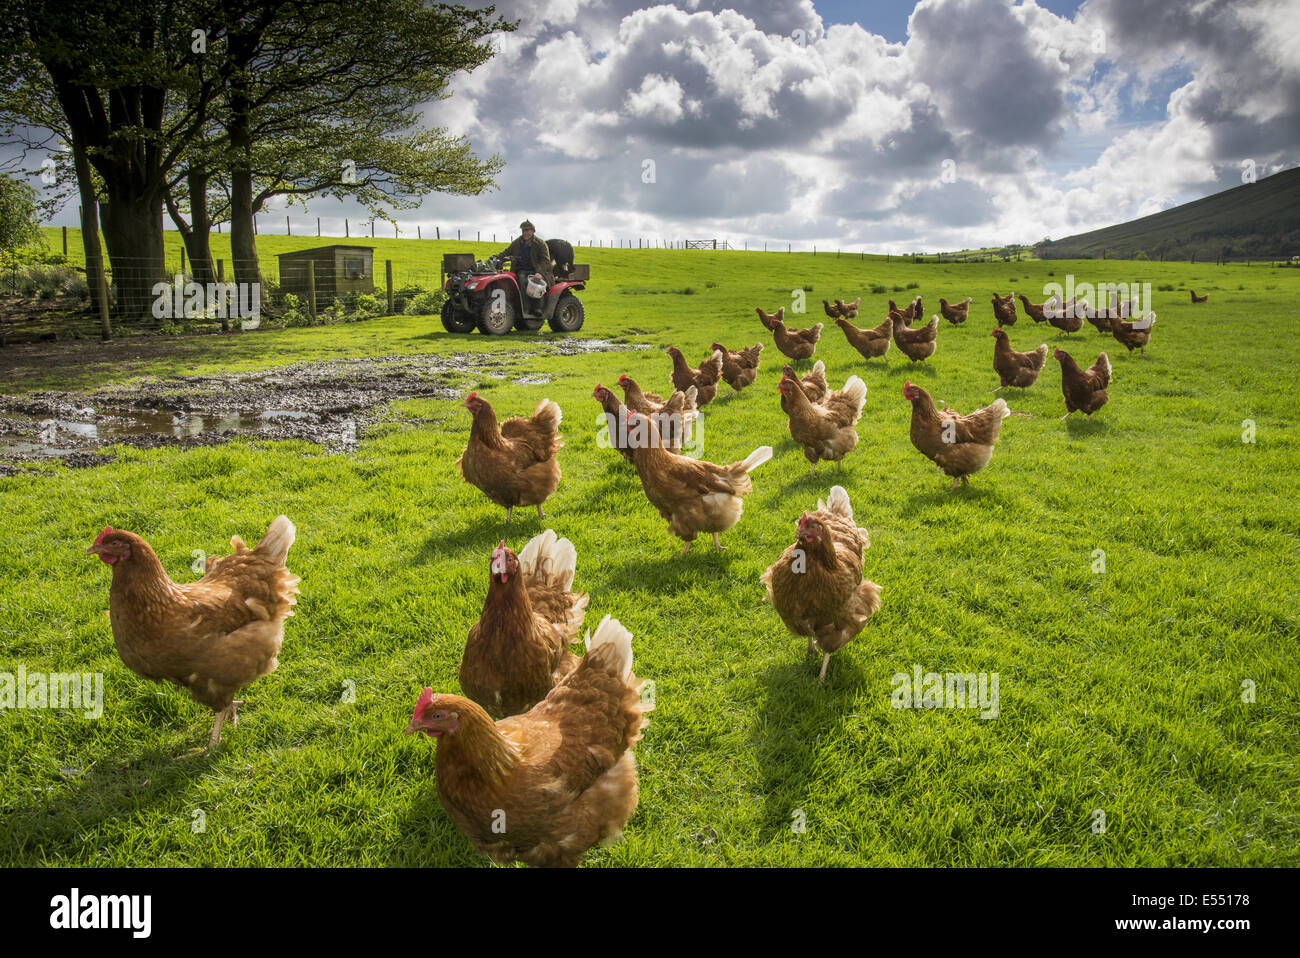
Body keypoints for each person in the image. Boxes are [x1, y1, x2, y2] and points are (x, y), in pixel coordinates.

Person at [496, 220, 553, 314]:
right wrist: (494, 258)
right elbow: (505, 253)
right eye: (523, 231)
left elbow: (545, 261)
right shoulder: (517, 243)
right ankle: (523, 308)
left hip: (536, 271)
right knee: (520, 279)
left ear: (533, 231)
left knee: (535, 282)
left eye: (527, 230)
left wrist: (540, 273)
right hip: (521, 270)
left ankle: (536, 308)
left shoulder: (540, 244)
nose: (525, 233)